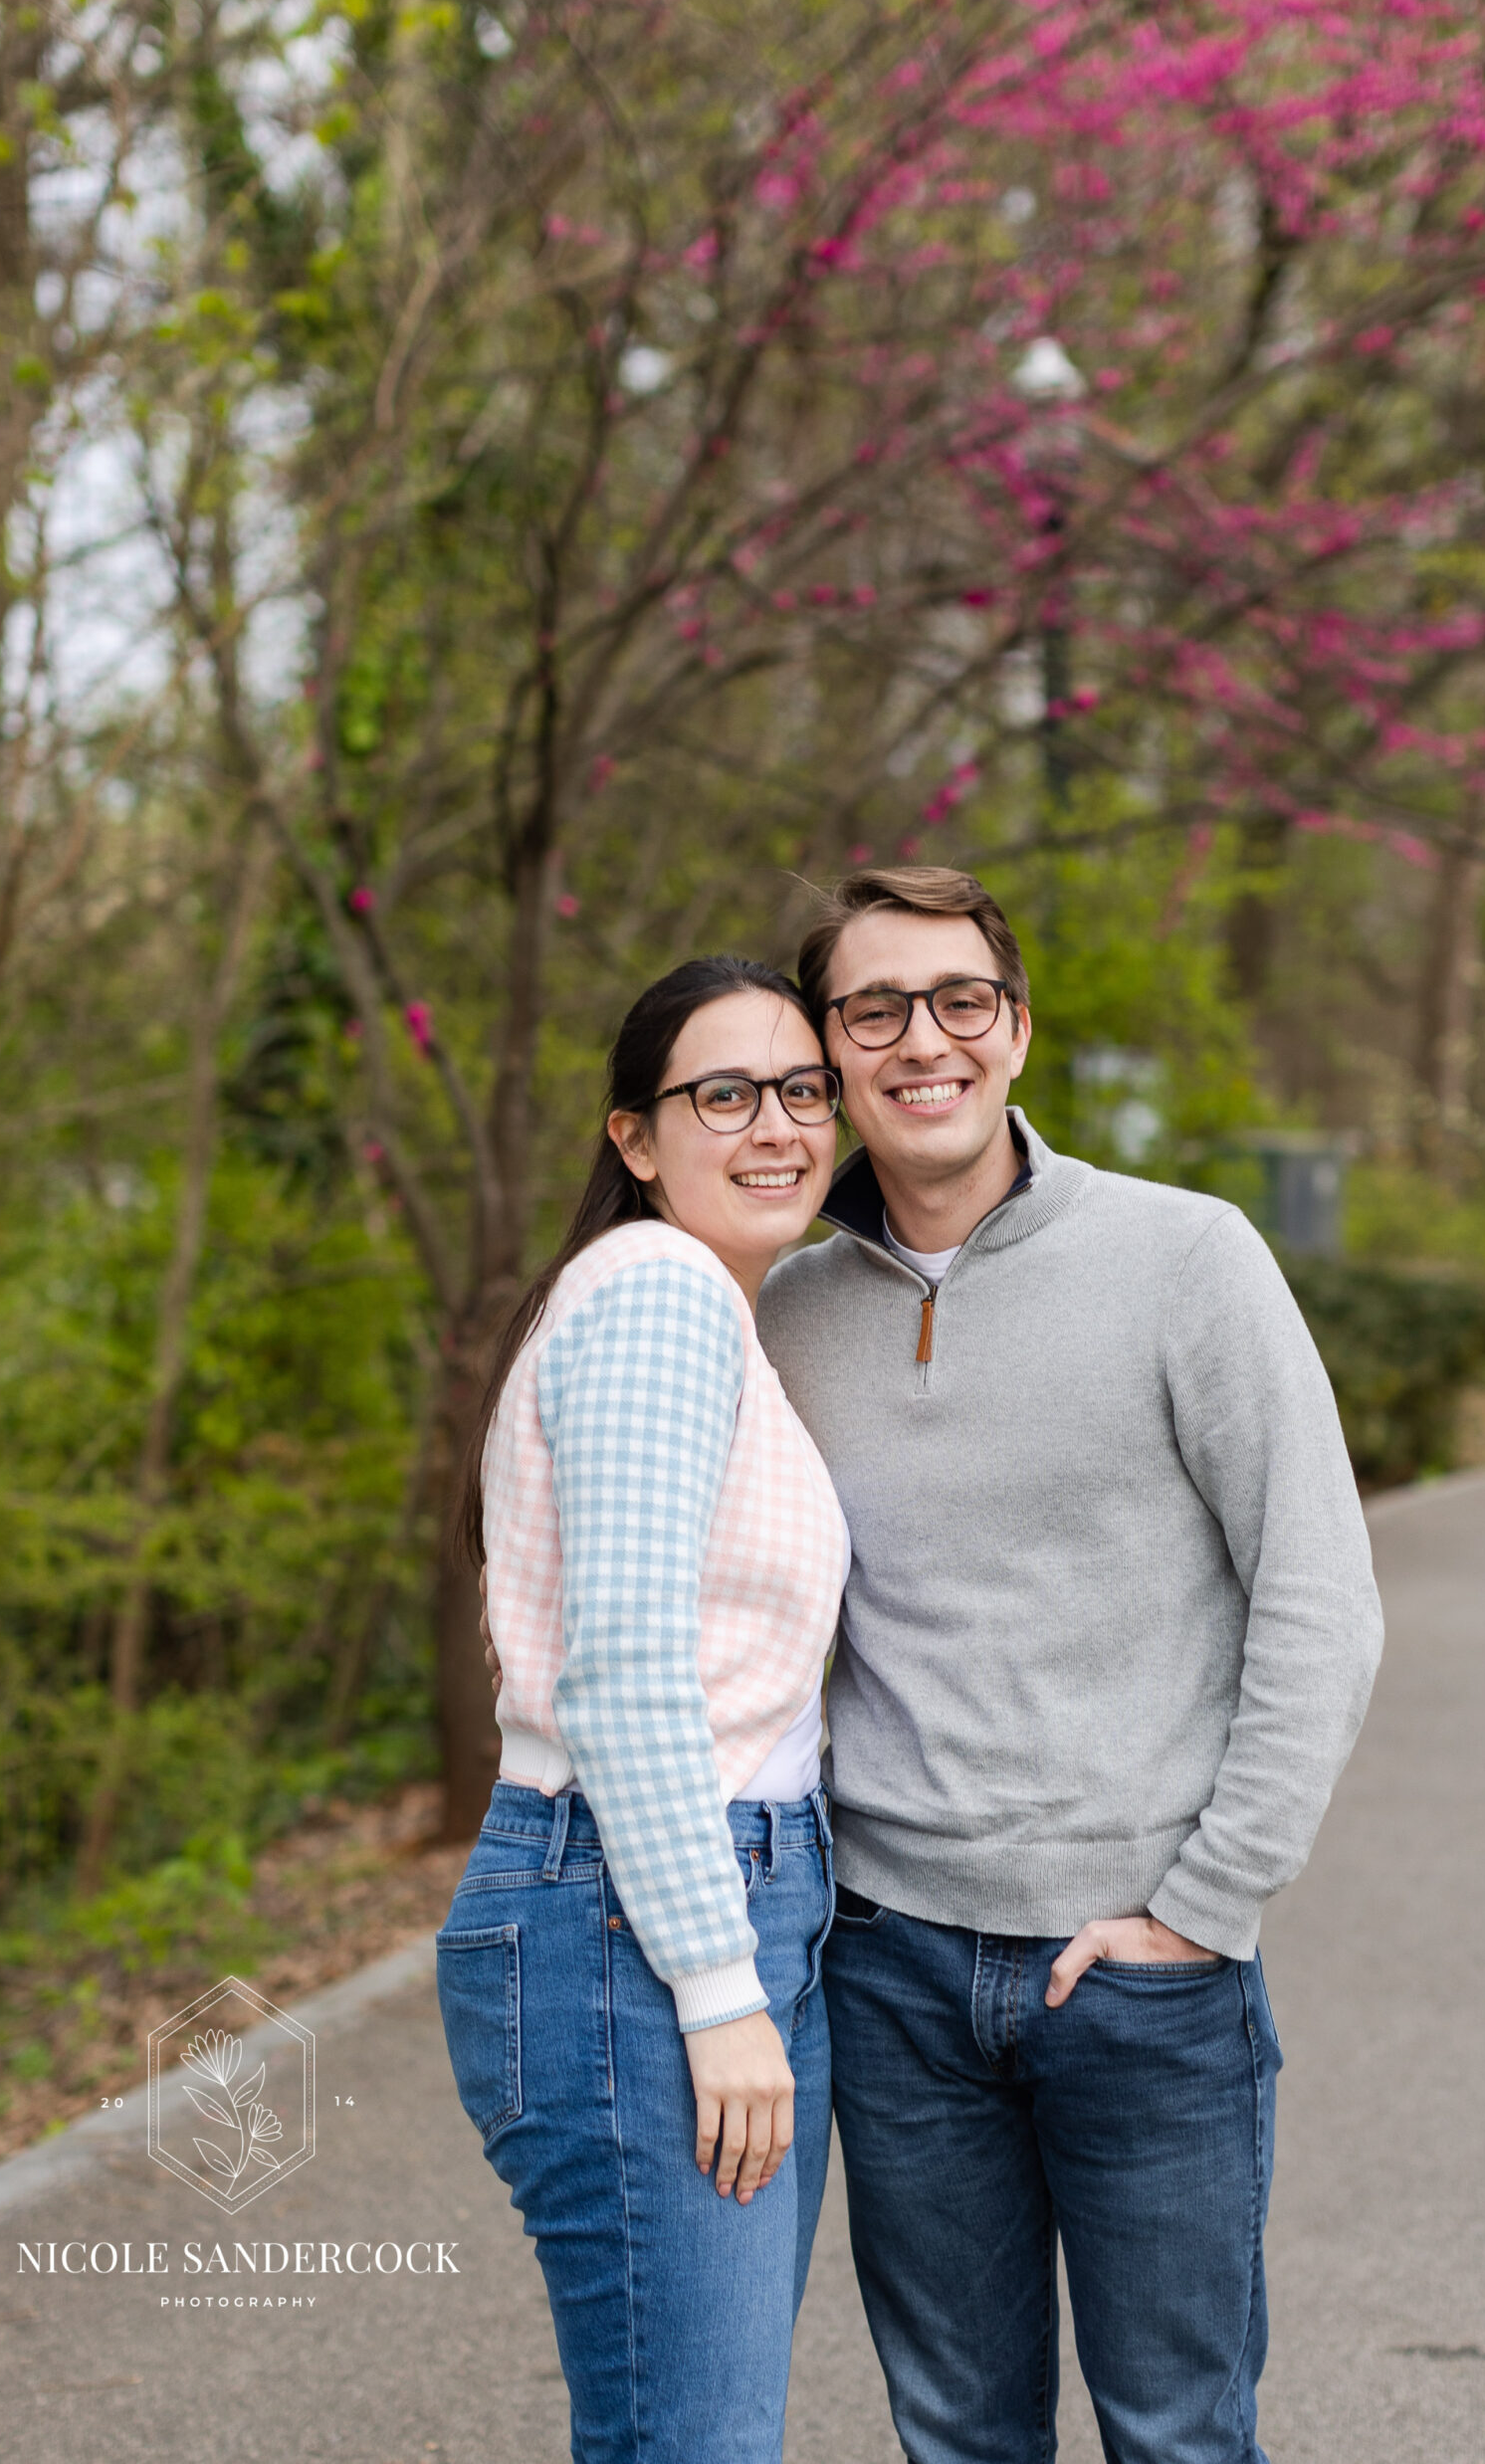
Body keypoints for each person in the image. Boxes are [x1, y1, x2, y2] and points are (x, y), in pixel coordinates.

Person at [754, 866, 1384, 2464]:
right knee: (957, 2433)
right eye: (873, 1009)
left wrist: (1204, 1903)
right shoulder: (788, 1306)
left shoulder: (1188, 1258)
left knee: (1175, 2434)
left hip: (1144, 1977)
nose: (922, 1040)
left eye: (959, 1000)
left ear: (1016, 1030)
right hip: (887, 1962)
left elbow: (1319, 1593)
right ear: (829, 1054)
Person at [438, 955, 849, 2464]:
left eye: (802, 1092)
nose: (775, 1128)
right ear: (633, 1137)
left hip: (701, 1899)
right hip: (633, 1915)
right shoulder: (659, 1292)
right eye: (721, 1095)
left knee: (682, 2433)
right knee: (695, 2444)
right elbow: (618, 1671)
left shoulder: (722, 1314)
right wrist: (718, 1984)